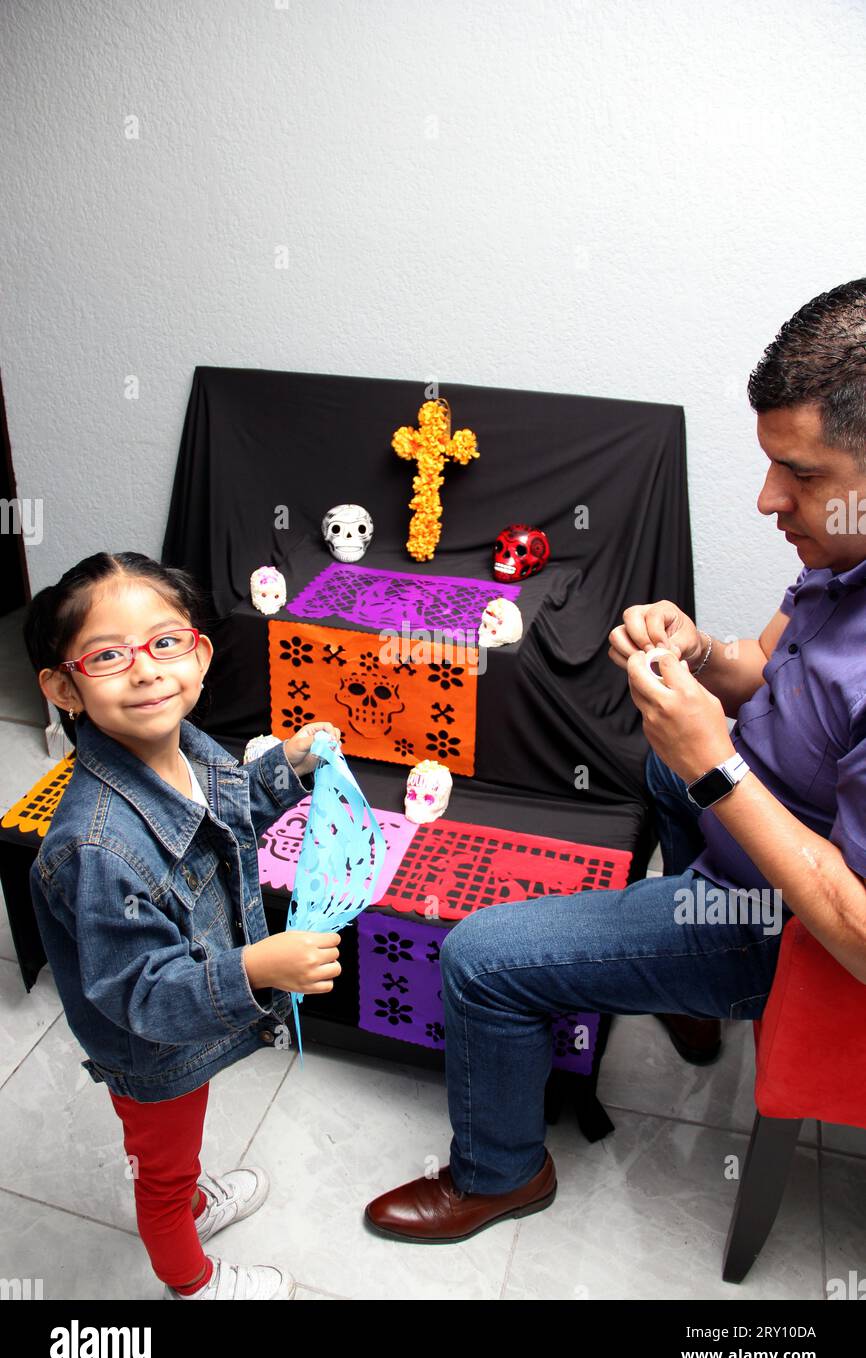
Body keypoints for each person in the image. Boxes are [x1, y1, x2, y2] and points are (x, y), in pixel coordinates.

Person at [364, 277, 866, 1242]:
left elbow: (858, 936)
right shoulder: (843, 550)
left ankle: (500, 1174)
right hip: (759, 834)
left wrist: (718, 766)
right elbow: (766, 666)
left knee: (478, 960)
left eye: (800, 474)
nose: (768, 500)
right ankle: (688, 998)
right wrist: (700, 653)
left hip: (789, 923)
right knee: (652, 765)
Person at [23, 551, 343, 1300]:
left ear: (199, 655)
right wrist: (260, 966)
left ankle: (194, 1199)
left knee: (181, 1146)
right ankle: (191, 1279)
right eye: (108, 655)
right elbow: (141, 993)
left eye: (167, 642)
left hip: (191, 1022)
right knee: (160, 1169)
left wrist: (285, 768)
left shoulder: (187, 749)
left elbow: (226, 823)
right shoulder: (97, 847)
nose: (147, 672)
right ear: (64, 687)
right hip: (152, 1047)